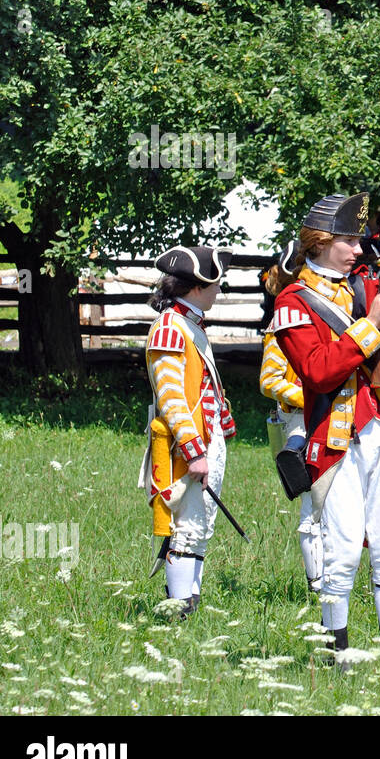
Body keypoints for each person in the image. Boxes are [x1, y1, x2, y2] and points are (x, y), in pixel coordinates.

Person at [270, 192, 380, 669]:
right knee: (342, 551)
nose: (357, 247)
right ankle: (335, 652)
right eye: (348, 239)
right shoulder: (292, 303)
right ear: (321, 242)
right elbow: (319, 371)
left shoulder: (365, 284)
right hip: (336, 439)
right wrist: (370, 325)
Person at [141, 245, 236, 619]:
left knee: (200, 524)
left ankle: (188, 604)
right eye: (215, 285)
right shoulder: (170, 327)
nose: (218, 291)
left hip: (202, 441)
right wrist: (195, 451)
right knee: (187, 526)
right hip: (185, 447)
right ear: (197, 287)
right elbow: (171, 397)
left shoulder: (187, 323)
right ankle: (178, 609)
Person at [259, 239, 325, 593]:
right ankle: (317, 581)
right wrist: (313, 396)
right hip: (302, 419)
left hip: (336, 417)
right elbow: (270, 381)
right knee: (312, 505)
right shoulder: (279, 325)